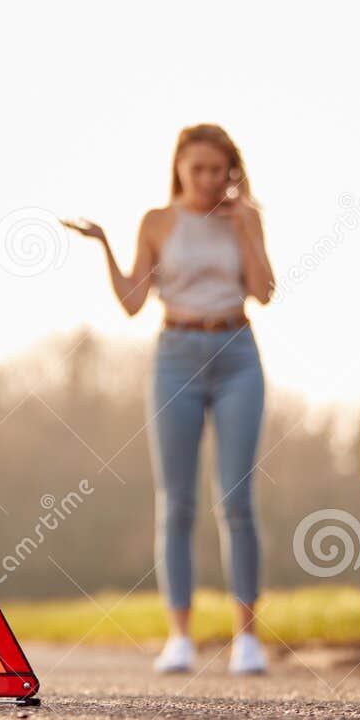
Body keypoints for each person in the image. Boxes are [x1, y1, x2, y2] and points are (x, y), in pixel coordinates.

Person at [64, 123, 275, 675]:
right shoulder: (157, 223)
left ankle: (246, 640)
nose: (206, 180)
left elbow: (264, 290)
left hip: (237, 354)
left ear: (230, 172)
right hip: (176, 356)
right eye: (196, 169)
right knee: (176, 502)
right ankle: (179, 637)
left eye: (217, 170)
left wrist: (248, 227)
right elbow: (133, 302)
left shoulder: (245, 217)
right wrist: (107, 245)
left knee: (236, 500)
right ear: (179, 167)